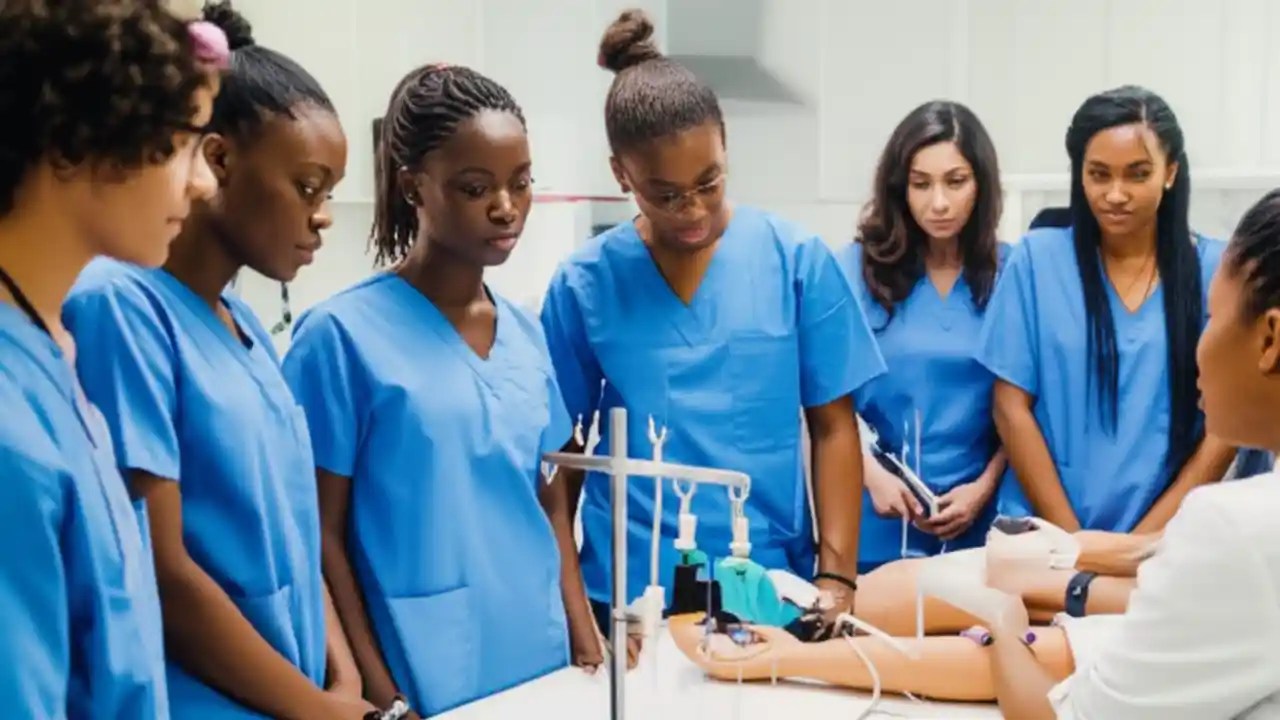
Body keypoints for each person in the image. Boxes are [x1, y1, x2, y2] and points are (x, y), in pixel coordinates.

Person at [672, 189, 1280, 717]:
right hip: (935, 563)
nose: (1195, 346)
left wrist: (1015, 608)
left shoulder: (1236, 527)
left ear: (1269, 337)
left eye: (1210, 317)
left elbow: (1058, 694)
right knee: (902, 588)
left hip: (1031, 624)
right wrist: (1067, 555)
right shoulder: (1240, 523)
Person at [61, 3, 370, 718]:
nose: (323, 214)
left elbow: (296, 530)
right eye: (308, 186)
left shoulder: (246, 327)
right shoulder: (121, 306)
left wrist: (342, 680)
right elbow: (165, 574)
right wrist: (318, 708)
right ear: (220, 160)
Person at [540, 8, 884, 636]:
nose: (692, 210)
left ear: (726, 144)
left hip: (770, 583)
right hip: (625, 592)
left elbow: (834, 427)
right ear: (621, 175)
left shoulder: (795, 262)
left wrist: (837, 580)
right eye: (664, 194)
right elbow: (565, 451)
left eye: (709, 182)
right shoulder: (584, 284)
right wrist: (568, 599)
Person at [281, 62, 586, 718]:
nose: (506, 207)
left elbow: (551, 503)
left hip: (541, 663)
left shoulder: (527, 335)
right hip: (419, 674)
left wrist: (585, 641)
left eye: (521, 183)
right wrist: (379, 694)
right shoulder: (338, 337)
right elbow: (318, 536)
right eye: (476, 187)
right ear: (414, 186)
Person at [0, 1, 223, 716]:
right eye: (186, 143)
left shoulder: (47, 351)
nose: (204, 183)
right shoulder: (9, 425)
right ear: (78, 136)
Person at [977, 86, 1239, 534]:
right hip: (1041, 537)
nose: (1116, 194)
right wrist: (1073, 543)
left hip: (1164, 541)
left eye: (1137, 175)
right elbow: (1009, 408)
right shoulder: (1036, 262)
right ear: (1080, 175)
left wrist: (1142, 545)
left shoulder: (1218, 272)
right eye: (1099, 175)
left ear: (1170, 172)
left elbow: (1226, 426)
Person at [837, 100, 1008, 572]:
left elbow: (1028, 407)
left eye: (956, 182)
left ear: (982, 185)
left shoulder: (1013, 275)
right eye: (921, 184)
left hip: (978, 525)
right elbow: (824, 396)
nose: (939, 202)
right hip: (878, 515)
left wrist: (984, 488)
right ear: (899, 188)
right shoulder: (852, 271)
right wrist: (870, 475)